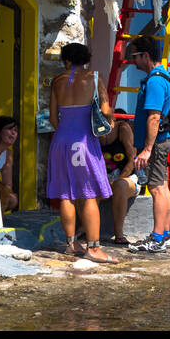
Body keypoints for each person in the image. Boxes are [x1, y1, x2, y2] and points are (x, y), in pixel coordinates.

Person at [47, 42, 116, 263]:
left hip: (61, 141)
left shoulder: (57, 81)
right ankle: (94, 248)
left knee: (66, 193)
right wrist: (111, 119)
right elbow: (105, 111)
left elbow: (53, 119)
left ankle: (71, 243)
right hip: (84, 141)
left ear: (66, 60)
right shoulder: (95, 77)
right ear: (85, 58)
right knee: (88, 193)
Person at [127, 36, 170, 254]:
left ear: (145, 56)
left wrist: (146, 149)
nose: (133, 61)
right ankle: (164, 235)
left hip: (155, 144)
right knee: (162, 186)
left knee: (156, 188)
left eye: (135, 57)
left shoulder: (155, 81)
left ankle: (156, 238)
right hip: (161, 141)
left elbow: (154, 117)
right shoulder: (162, 76)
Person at [97, 111, 137, 246]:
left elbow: (132, 161)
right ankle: (86, 230)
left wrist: (117, 180)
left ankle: (118, 234)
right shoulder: (94, 130)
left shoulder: (123, 129)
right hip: (103, 178)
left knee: (119, 186)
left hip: (126, 177)